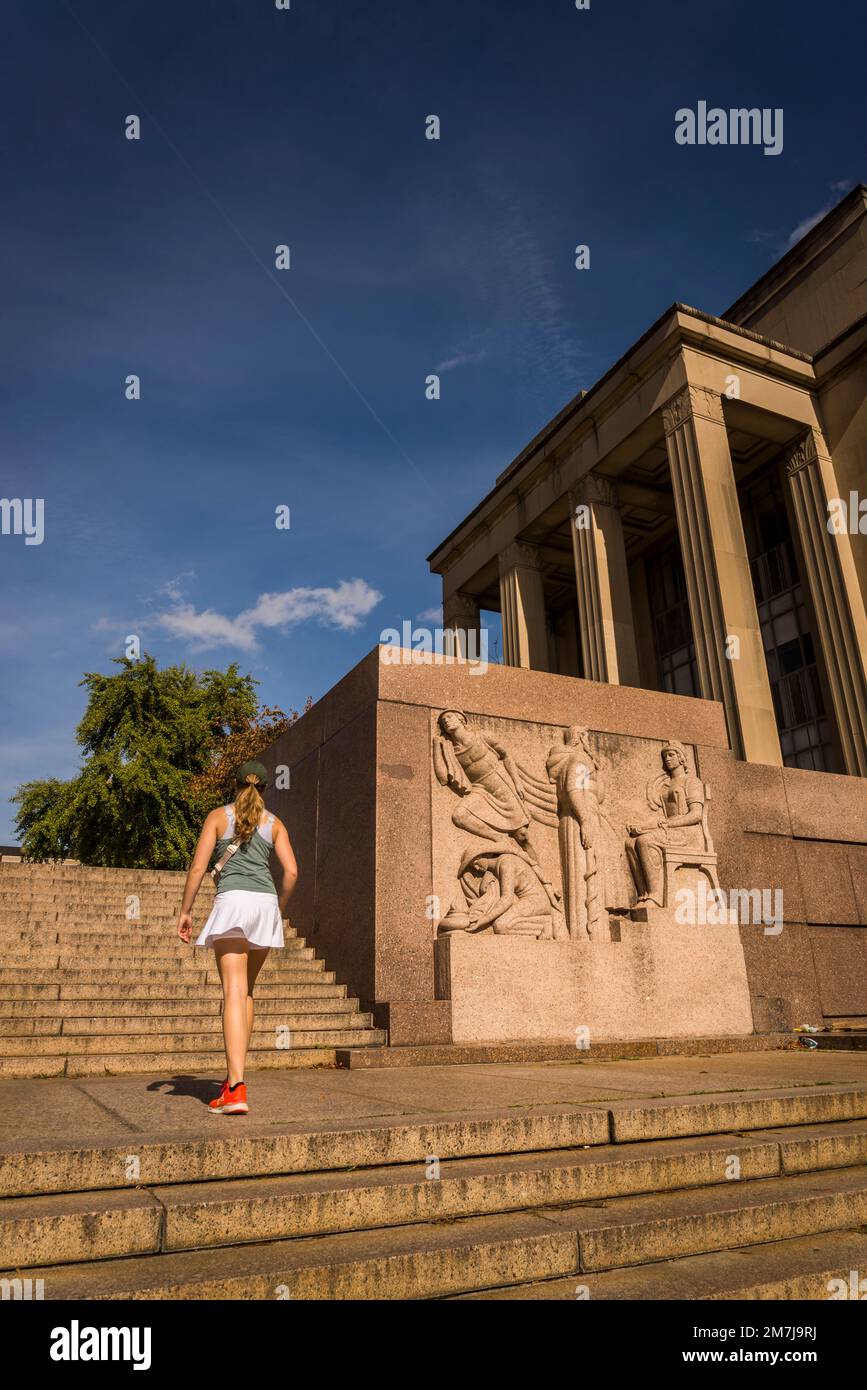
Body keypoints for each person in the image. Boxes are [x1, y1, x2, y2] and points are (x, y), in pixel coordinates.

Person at [176, 760, 298, 1115]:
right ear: (264, 789)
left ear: (234, 785)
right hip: (264, 905)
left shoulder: (217, 817)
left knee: (232, 990)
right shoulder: (274, 824)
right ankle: (236, 1078)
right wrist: (279, 907)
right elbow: (291, 871)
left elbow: (198, 867)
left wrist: (186, 911)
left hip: (233, 903)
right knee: (246, 991)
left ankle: (235, 1087)